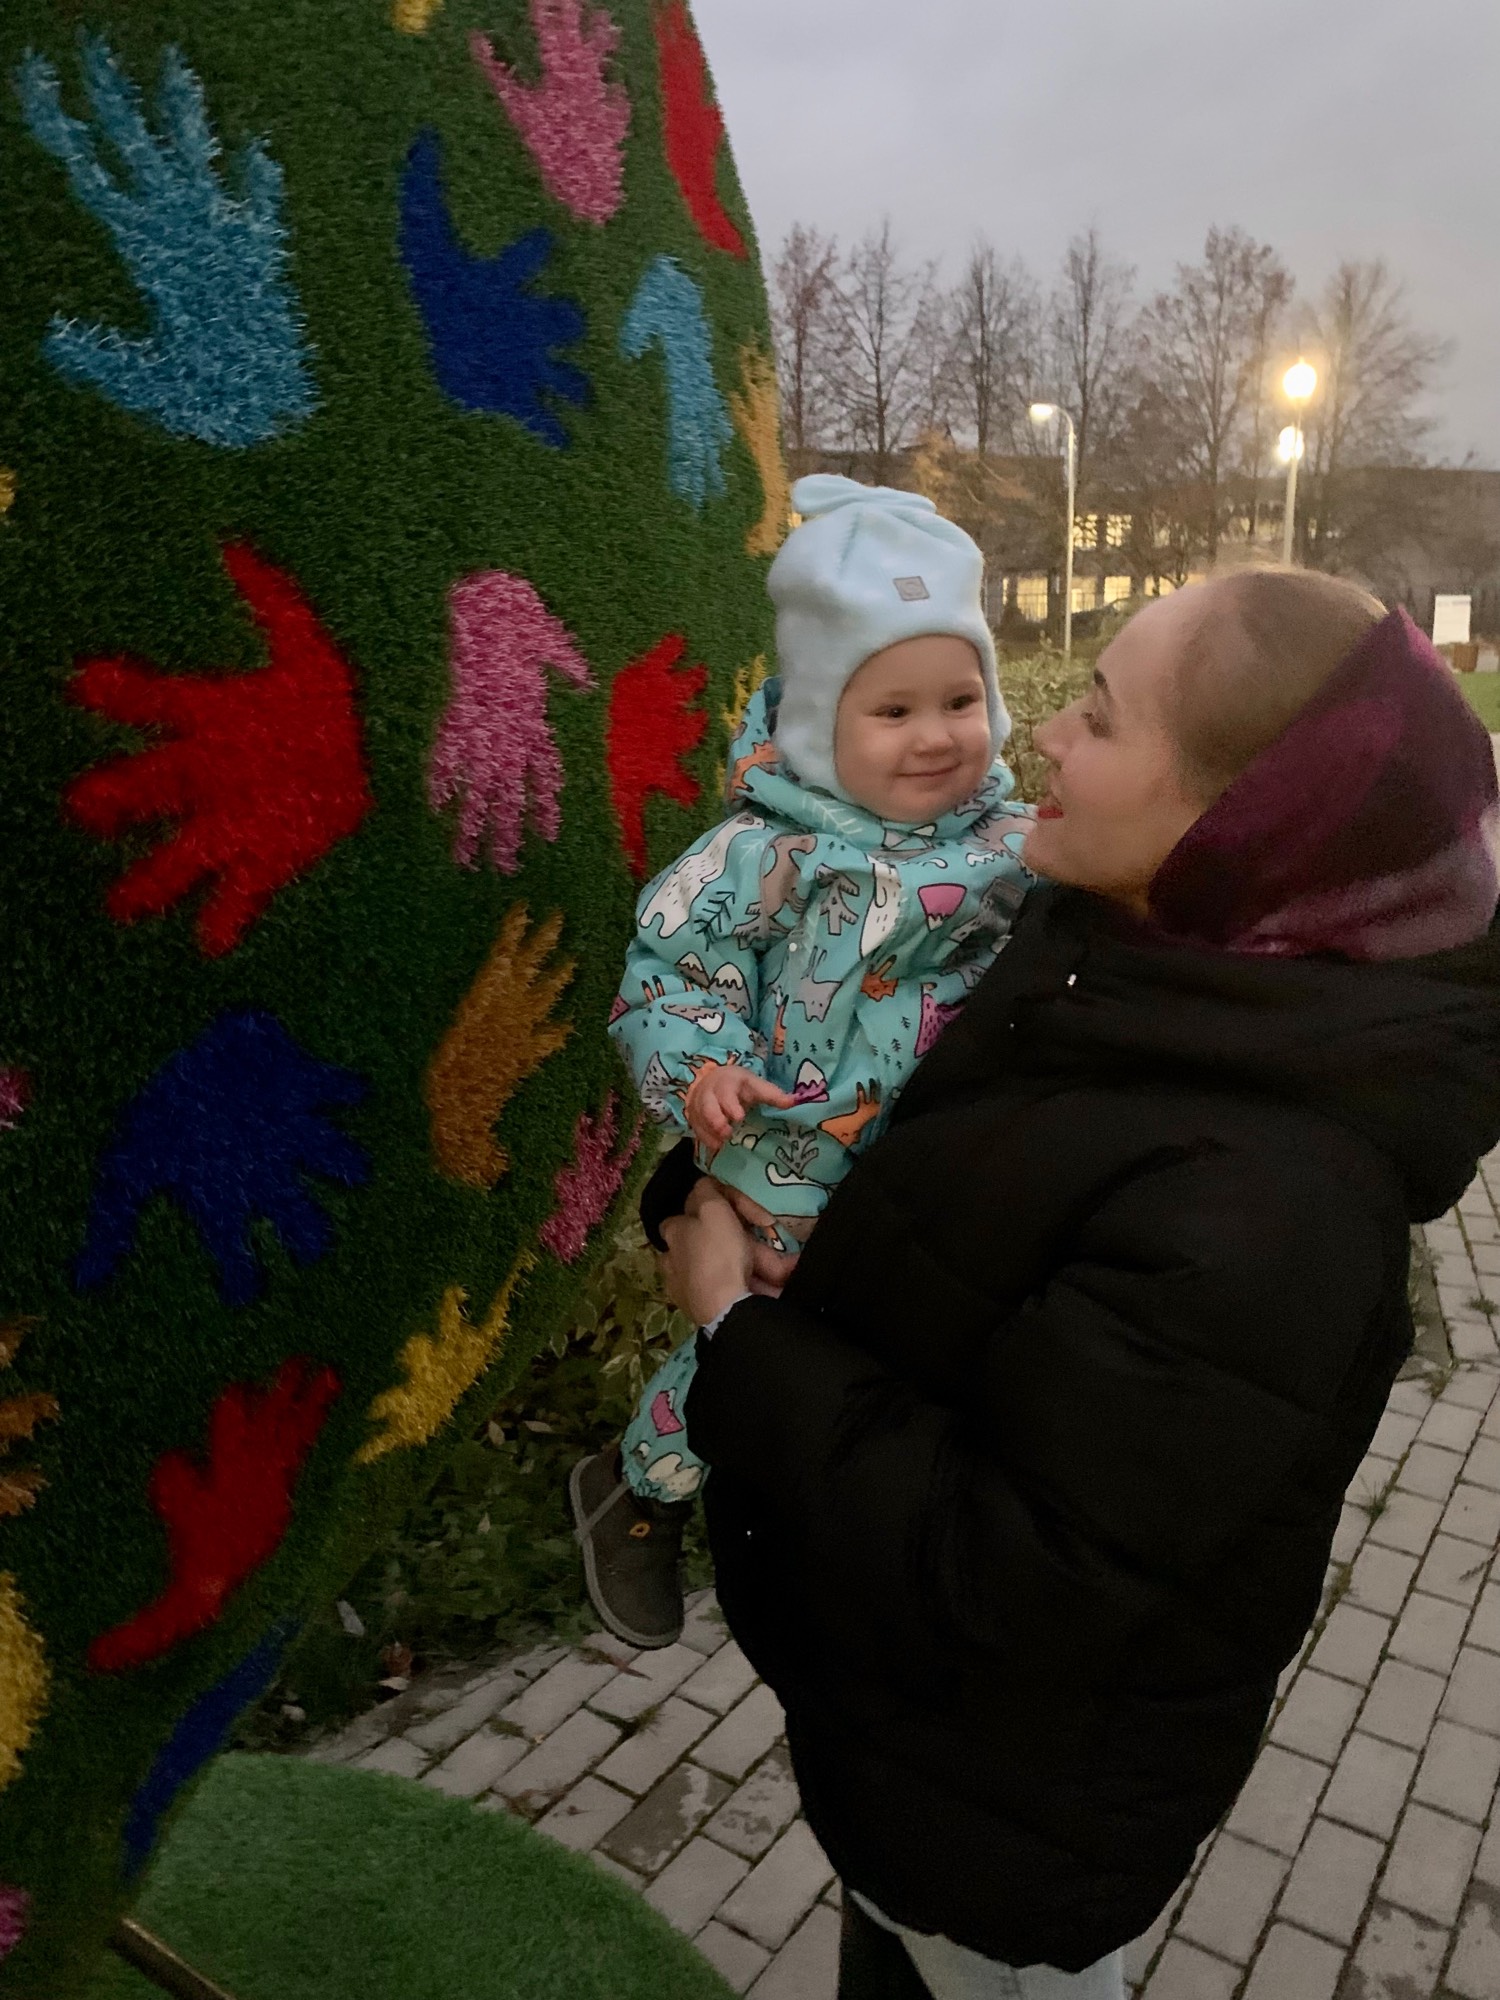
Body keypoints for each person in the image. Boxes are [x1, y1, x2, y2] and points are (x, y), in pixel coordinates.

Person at [650, 569, 1500, 1999]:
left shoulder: (1270, 1208)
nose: (1040, 736)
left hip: (1007, 1825)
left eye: (1100, 719)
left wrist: (737, 1333)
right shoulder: (1122, 958)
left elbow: (1006, 1581)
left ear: (1238, 826)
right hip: (908, 1753)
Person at [572, 475, 1033, 1650]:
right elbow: (670, 975)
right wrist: (703, 1071)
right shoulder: (757, 853)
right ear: (820, 719)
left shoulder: (1016, 847)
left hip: (931, 1184)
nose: (938, 735)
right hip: (784, 1163)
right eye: (893, 710)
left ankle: (818, 1525)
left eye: (961, 697)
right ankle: (641, 1489)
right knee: (745, 1348)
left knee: (870, 1373)